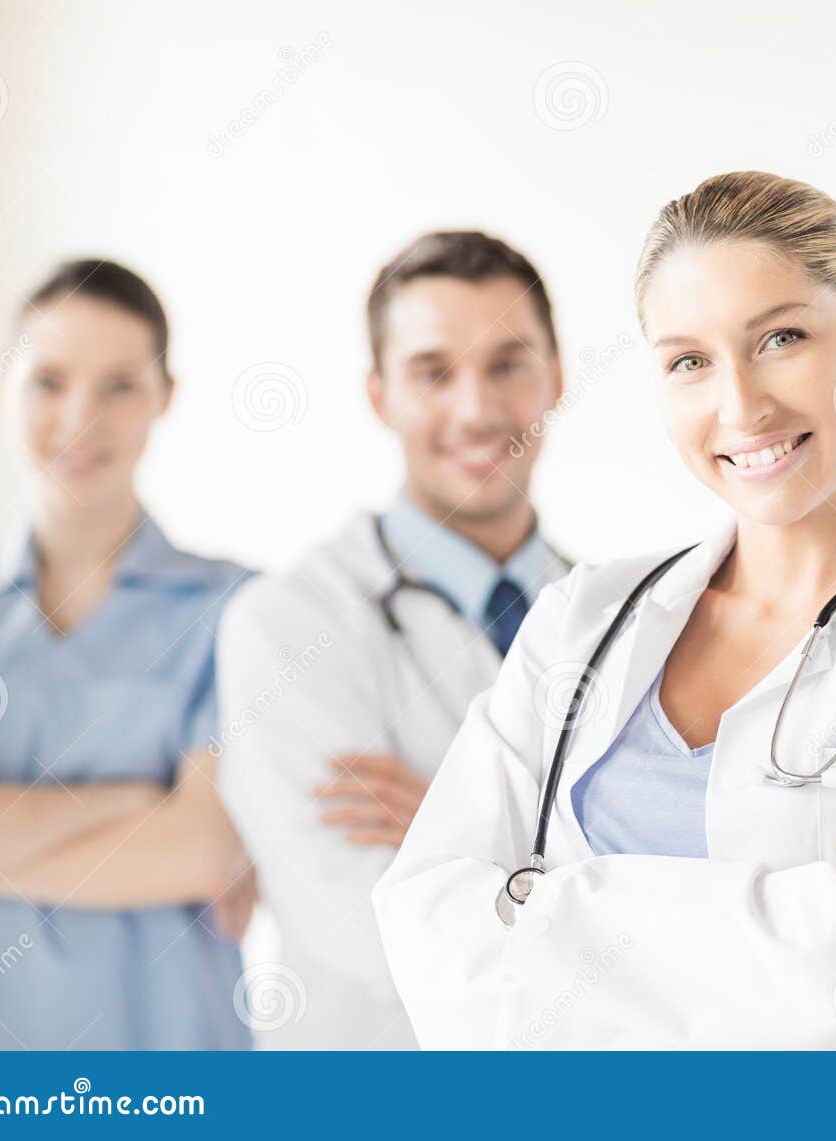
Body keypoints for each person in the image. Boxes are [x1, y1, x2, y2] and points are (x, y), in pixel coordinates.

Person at [373, 171, 836, 1049]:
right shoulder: (580, 617)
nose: (741, 404)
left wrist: (532, 903)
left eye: (781, 338)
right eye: (690, 361)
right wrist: (815, 903)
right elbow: (428, 931)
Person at [215, 232, 571, 1048]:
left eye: (508, 363)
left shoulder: (627, 619)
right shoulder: (287, 625)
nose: (476, 409)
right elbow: (377, 934)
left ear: (556, 377)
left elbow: (686, 901)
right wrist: (581, 875)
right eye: (433, 372)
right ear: (380, 396)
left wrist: (465, 830)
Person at [0, 260, 252, 1050]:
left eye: (119, 386)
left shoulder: (234, 608)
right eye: (49, 381)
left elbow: (204, 848)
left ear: (165, 397)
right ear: (2, 390)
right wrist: (132, 805)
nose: (80, 418)